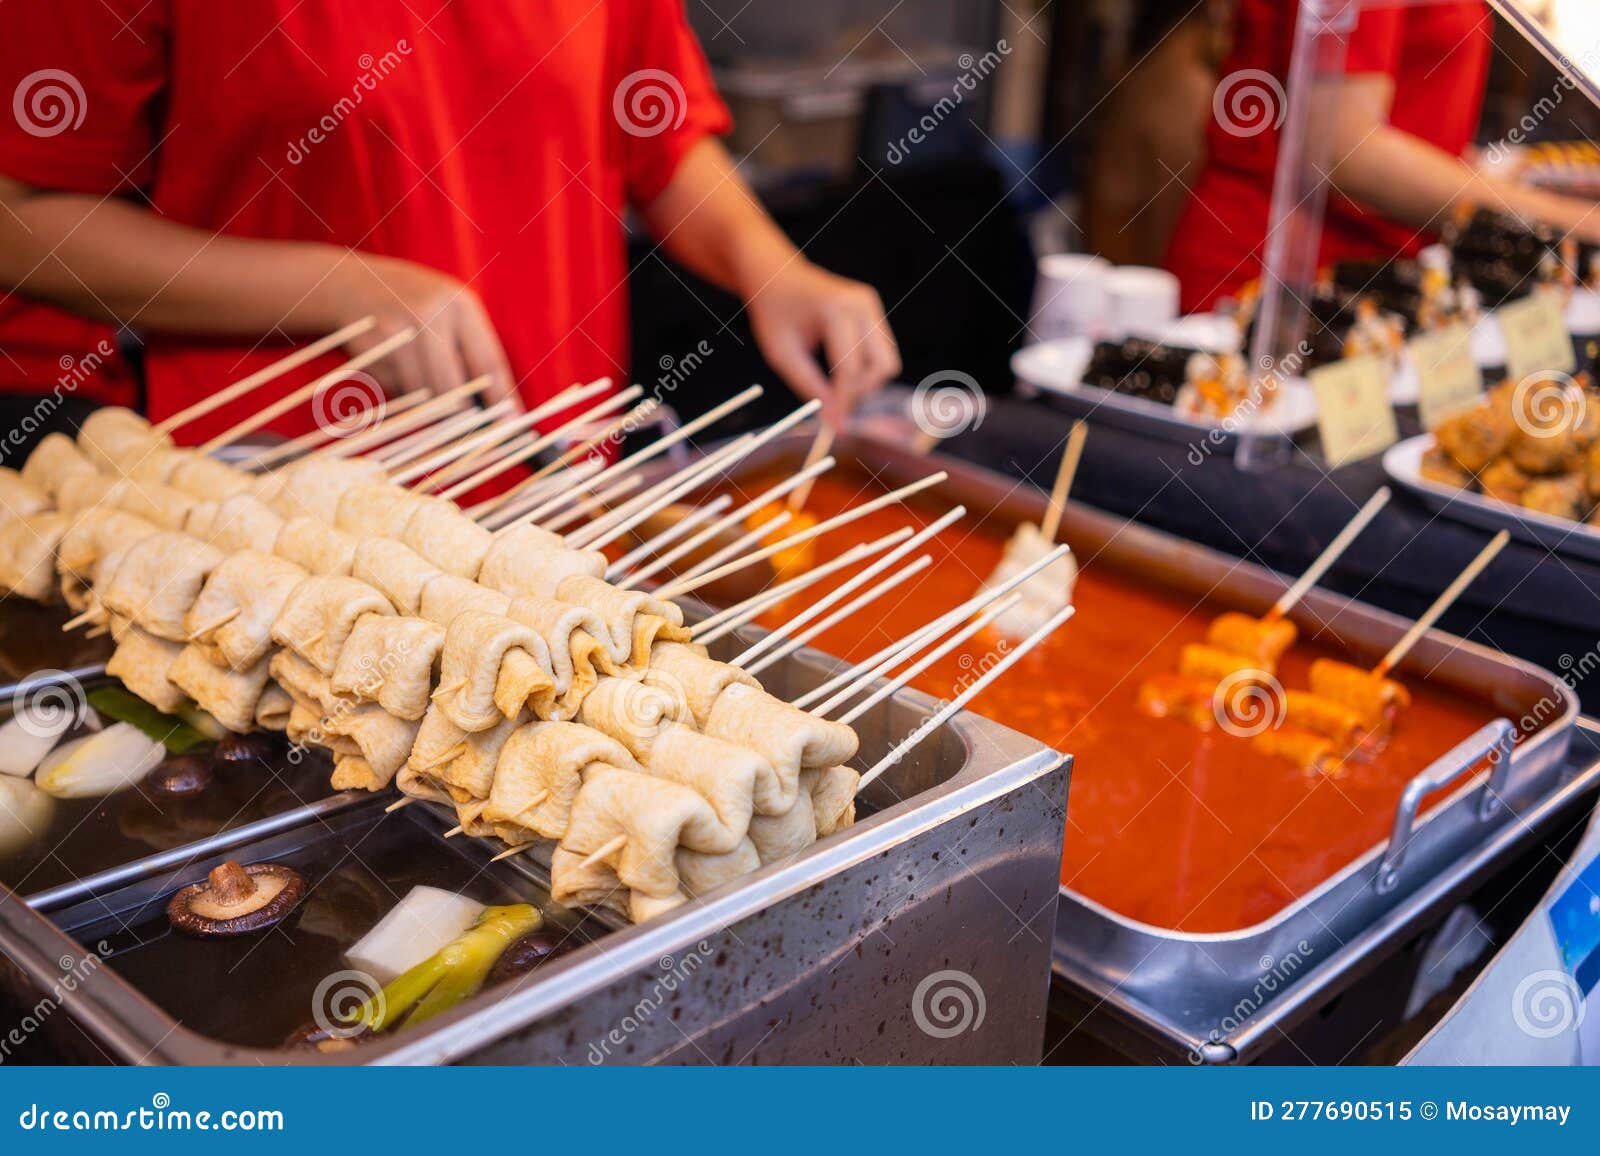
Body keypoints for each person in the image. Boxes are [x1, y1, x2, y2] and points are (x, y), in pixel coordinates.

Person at [0, 2, 900, 443]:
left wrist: (770, 266)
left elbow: (653, 133)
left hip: (559, 490)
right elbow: (22, 224)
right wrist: (339, 291)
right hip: (280, 516)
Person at [1165, 0, 1600, 313]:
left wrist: (1519, 182)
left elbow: (1409, 111)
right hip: (1276, 279)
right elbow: (1345, 152)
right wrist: (1574, 221)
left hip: (1376, 277)